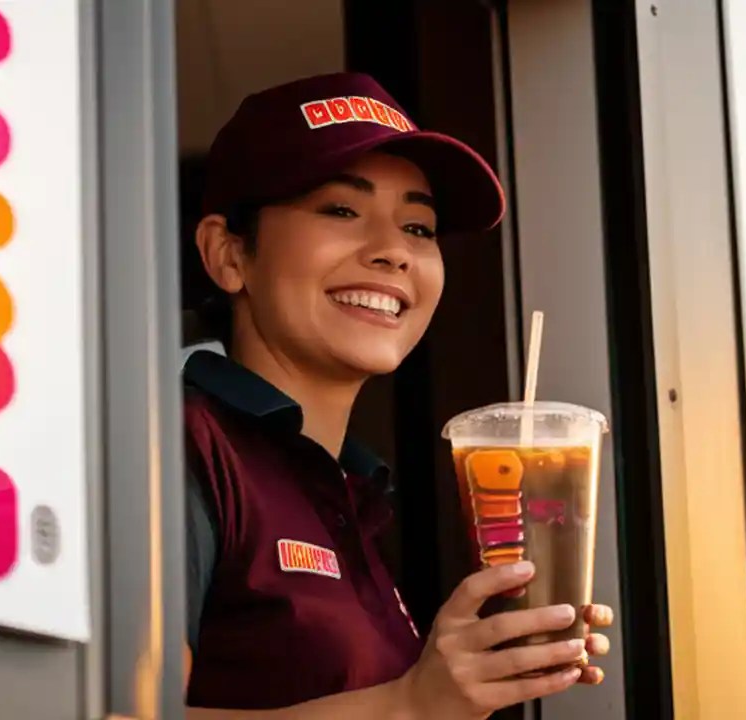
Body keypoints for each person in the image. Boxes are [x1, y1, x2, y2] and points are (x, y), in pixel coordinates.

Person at [182, 73, 614, 719]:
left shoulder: (352, 492)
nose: (393, 252)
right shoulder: (175, 443)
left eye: (419, 226)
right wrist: (413, 705)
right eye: (341, 210)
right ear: (228, 254)